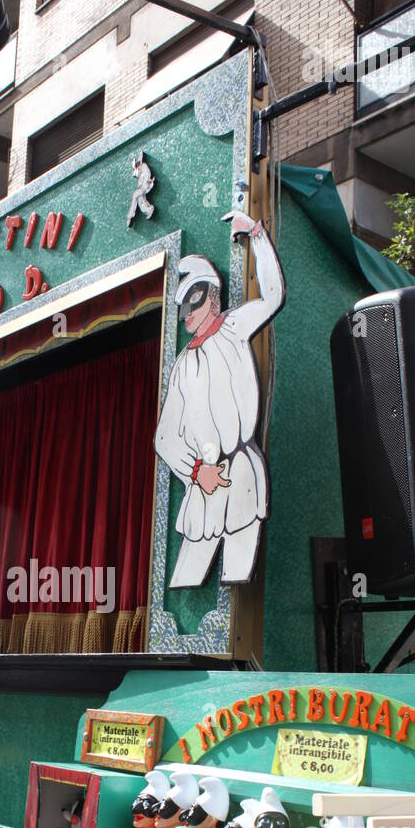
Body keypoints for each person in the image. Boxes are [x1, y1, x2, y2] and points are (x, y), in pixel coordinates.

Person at [154, 210, 285, 588]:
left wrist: (257, 236)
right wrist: (196, 471)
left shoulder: (233, 327)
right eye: (183, 306)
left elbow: (273, 296)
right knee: (188, 572)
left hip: (241, 472)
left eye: (193, 301)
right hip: (203, 483)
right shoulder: (183, 364)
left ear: (211, 296)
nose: (187, 314)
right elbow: (164, 438)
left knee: (240, 567)